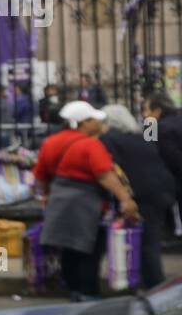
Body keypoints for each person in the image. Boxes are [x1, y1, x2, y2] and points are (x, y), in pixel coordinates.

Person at [34, 101, 138, 300]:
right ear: (83, 122)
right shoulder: (91, 144)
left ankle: (73, 289)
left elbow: (41, 176)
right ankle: (88, 293)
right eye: (94, 119)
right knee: (89, 250)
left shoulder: (50, 142)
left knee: (67, 248)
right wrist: (126, 199)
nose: (99, 123)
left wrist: (47, 195)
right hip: (86, 204)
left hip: (59, 201)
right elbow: (105, 176)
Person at [101, 104, 174, 288]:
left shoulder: (110, 138)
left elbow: (112, 169)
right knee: (150, 240)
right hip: (161, 190)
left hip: (143, 194)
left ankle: (155, 286)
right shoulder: (140, 135)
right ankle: (152, 283)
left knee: (147, 244)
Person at [143, 91, 182, 261]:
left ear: (158, 111)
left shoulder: (160, 127)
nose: (144, 115)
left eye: (146, 110)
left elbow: (151, 152)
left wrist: (148, 123)